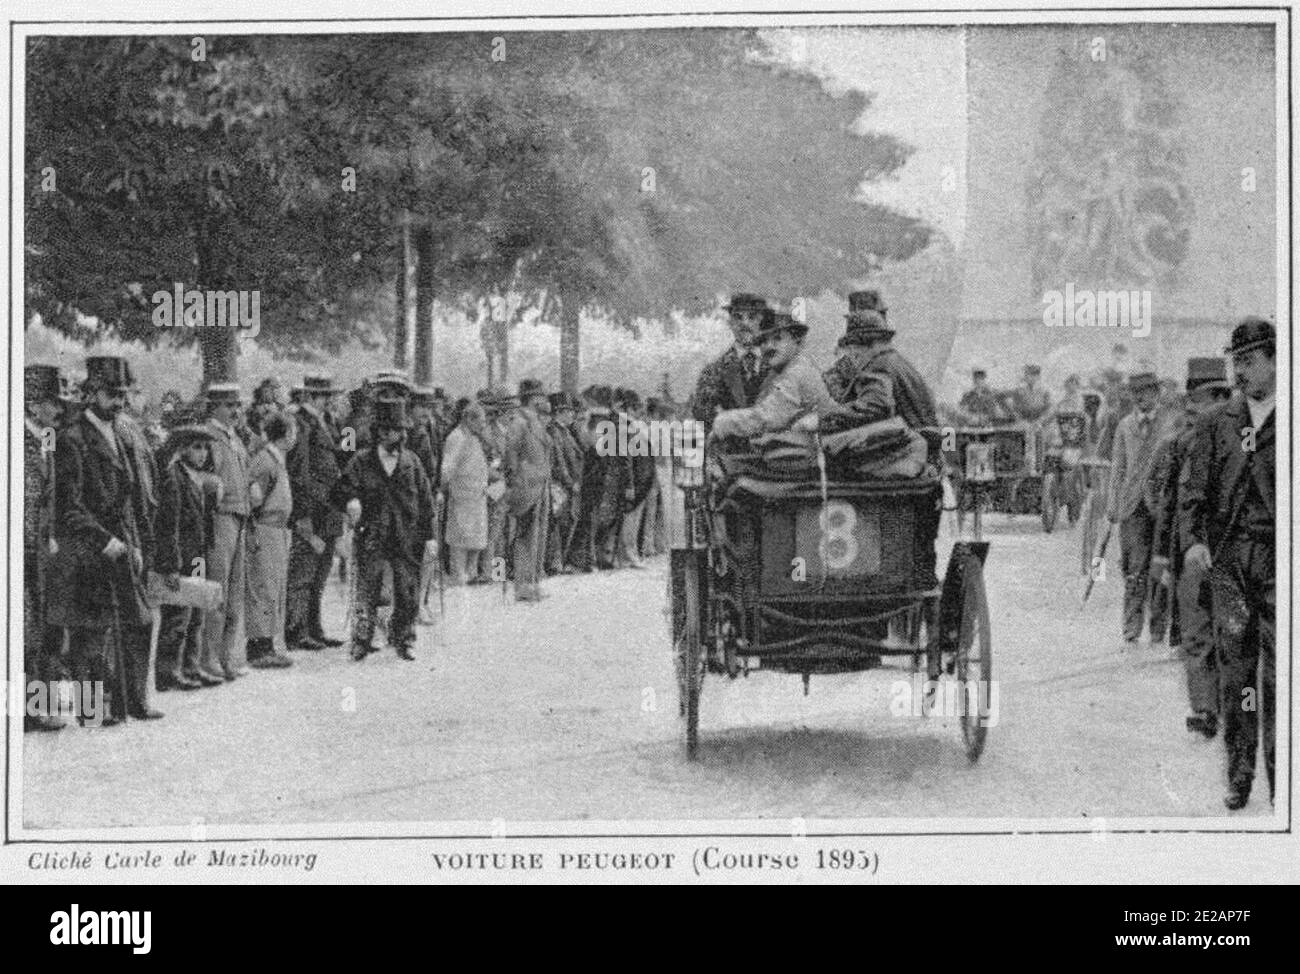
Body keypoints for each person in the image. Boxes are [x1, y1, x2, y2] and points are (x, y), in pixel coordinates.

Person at [1181, 318, 1276, 810]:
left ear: (1276, 360)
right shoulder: (1218, 421)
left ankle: (1284, 779)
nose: (1242, 372)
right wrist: (1194, 541)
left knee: (1282, 674)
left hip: (1282, 559)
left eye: (1251, 361)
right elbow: (1195, 492)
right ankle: (1240, 774)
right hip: (1232, 562)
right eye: (1237, 361)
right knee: (1238, 675)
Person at [53, 356, 158, 724]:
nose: (120, 402)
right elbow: (70, 508)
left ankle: (133, 701)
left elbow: (132, 496)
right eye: (113, 395)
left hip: (124, 545)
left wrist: (137, 544)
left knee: (140, 622)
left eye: (123, 395)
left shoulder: (122, 434)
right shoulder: (73, 439)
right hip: (92, 549)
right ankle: (94, 708)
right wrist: (104, 540)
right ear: (93, 393)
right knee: (92, 632)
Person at [1148, 357, 1233, 739]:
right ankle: (1205, 711)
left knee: (1231, 634)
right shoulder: (1179, 445)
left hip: (1231, 553)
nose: (1207, 406)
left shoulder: (1241, 441)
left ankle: (1232, 706)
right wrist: (1162, 556)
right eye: (1202, 399)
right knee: (1196, 635)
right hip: (1188, 555)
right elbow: (1168, 503)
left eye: (1217, 397)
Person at [331, 398, 437, 660]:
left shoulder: (412, 462)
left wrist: (430, 537)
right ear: (379, 432)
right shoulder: (362, 461)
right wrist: (351, 500)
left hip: (406, 535)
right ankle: (362, 639)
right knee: (367, 589)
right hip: (373, 533)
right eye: (390, 430)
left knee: (407, 589)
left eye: (400, 431)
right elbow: (340, 489)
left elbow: (426, 502)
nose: (397, 435)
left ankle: (404, 638)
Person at [1106, 367, 1177, 645]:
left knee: (1159, 569)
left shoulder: (1170, 423)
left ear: (1156, 393)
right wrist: (1113, 506)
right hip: (1131, 506)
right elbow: (1118, 469)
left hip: (1160, 506)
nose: (1140, 398)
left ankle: (1158, 629)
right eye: (1135, 393)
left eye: (1146, 392)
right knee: (1133, 570)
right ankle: (1131, 629)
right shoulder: (1124, 426)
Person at [154, 425, 222, 690]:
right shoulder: (174, 477)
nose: (202, 453)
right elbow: (168, 524)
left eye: (205, 447)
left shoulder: (200, 478)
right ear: (182, 449)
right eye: (196, 447)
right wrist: (170, 564)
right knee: (177, 616)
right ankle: (168, 670)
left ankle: (191, 666)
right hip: (181, 556)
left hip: (197, 554)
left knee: (196, 612)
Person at [23, 365, 69, 731]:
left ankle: (38, 707)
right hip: (23, 552)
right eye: (53, 403)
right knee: (26, 630)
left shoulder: (45, 438)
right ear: (34, 404)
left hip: (42, 550)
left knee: (44, 630)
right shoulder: (18, 441)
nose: (59, 410)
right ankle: (27, 710)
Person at [285, 374, 343, 651]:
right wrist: (304, 514)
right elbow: (300, 472)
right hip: (313, 508)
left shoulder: (327, 422)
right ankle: (296, 630)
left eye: (330, 395)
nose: (329, 400)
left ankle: (315, 627)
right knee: (303, 574)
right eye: (324, 396)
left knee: (320, 575)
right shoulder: (301, 423)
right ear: (309, 397)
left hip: (329, 508)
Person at [823, 290, 935, 432]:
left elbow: (873, 408)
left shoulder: (878, 366)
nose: (852, 354)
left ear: (861, 343)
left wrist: (823, 418)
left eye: (853, 347)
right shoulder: (895, 361)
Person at [710, 311, 835, 438]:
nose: (769, 346)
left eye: (777, 339)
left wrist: (722, 421)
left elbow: (768, 417)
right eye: (763, 341)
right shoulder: (784, 372)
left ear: (796, 341)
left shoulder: (796, 371)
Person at [201, 383, 253, 682]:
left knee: (234, 593)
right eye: (230, 405)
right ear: (215, 407)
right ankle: (209, 659)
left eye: (238, 405)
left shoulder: (234, 438)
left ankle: (227, 657)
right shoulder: (208, 437)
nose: (236, 411)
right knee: (217, 591)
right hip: (220, 518)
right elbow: (200, 474)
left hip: (240, 516)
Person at [246, 411, 296, 669]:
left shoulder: (276, 460)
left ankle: (267, 642)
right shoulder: (266, 462)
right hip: (265, 529)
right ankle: (259, 646)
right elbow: (254, 498)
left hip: (277, 530)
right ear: (285, 434)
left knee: (273, 586)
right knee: (263, 586)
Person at [503, 379, 554, 601]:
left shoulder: (535, 421)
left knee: (538, 534)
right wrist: (515, 479)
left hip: (540, 483)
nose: (543, 399)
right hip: (525, 485)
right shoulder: (520, 422)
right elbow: (511, 453)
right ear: (532, 398)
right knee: (524, 535)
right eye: (540, 396)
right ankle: (522, 584)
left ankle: (533, 580)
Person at [690, 293, 771, 425]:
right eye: (738, 317)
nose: (744, 323)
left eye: (752, 317)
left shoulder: (779, 366)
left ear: (762, 321)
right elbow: (703, 416)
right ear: (730, 323)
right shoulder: (713, 371)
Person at [440, 401, 490, 584]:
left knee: (475, 540)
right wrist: (445, 489)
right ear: (469, 419)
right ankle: (458, 577)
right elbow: (447, 469)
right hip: (462, 496)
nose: (484, 425)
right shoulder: (456, 437)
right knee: (460, 539)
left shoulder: (474, 437)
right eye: (481, 421)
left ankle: (472, 575)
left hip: (477, 496)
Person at [545, 392, 584, 573]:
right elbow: (559, 463)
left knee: (566, 521)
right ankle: (555, 562)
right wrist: (570, 483)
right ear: (559, 412)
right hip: (559, 485)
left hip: (568, 484)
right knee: (559, 523)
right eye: (569, 411)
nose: (572, 415)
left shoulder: (566, 431)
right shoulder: (554, 431)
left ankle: (560, 561)